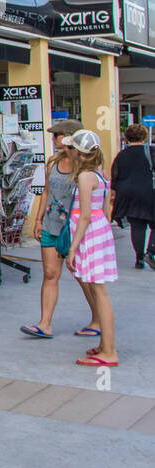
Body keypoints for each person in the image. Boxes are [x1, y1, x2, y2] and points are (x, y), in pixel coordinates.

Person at [22, 119, 98, 339]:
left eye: (55, 135)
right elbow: (46, 191)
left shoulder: (84, 165)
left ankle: (98, 318)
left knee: (82, 276)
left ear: (66, 138)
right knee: (50, 274)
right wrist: (38, 220)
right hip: (51, 225)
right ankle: (44, 323)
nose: (53, 139)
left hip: (74, 228)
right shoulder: (52, 162)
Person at [62, 130, 119, 367]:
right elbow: (105, 211)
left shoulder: (86, 177)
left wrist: (73, 248)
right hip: (99, 232)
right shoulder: (101, 175)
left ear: (78, 152)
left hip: (90, 235)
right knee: (98, 291)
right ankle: (106, 346)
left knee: (100, 292)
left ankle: (110, 351)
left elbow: (84, 216)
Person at [110, 123, 155, 268]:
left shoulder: (121, 155)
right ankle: (151, 251)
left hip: (129, 195)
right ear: (144, 136)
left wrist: (113, 195)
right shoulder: (151, 151)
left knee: (137, 226)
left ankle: (139, 259)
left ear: (126, 138)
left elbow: (115, 176)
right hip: (149, 193)